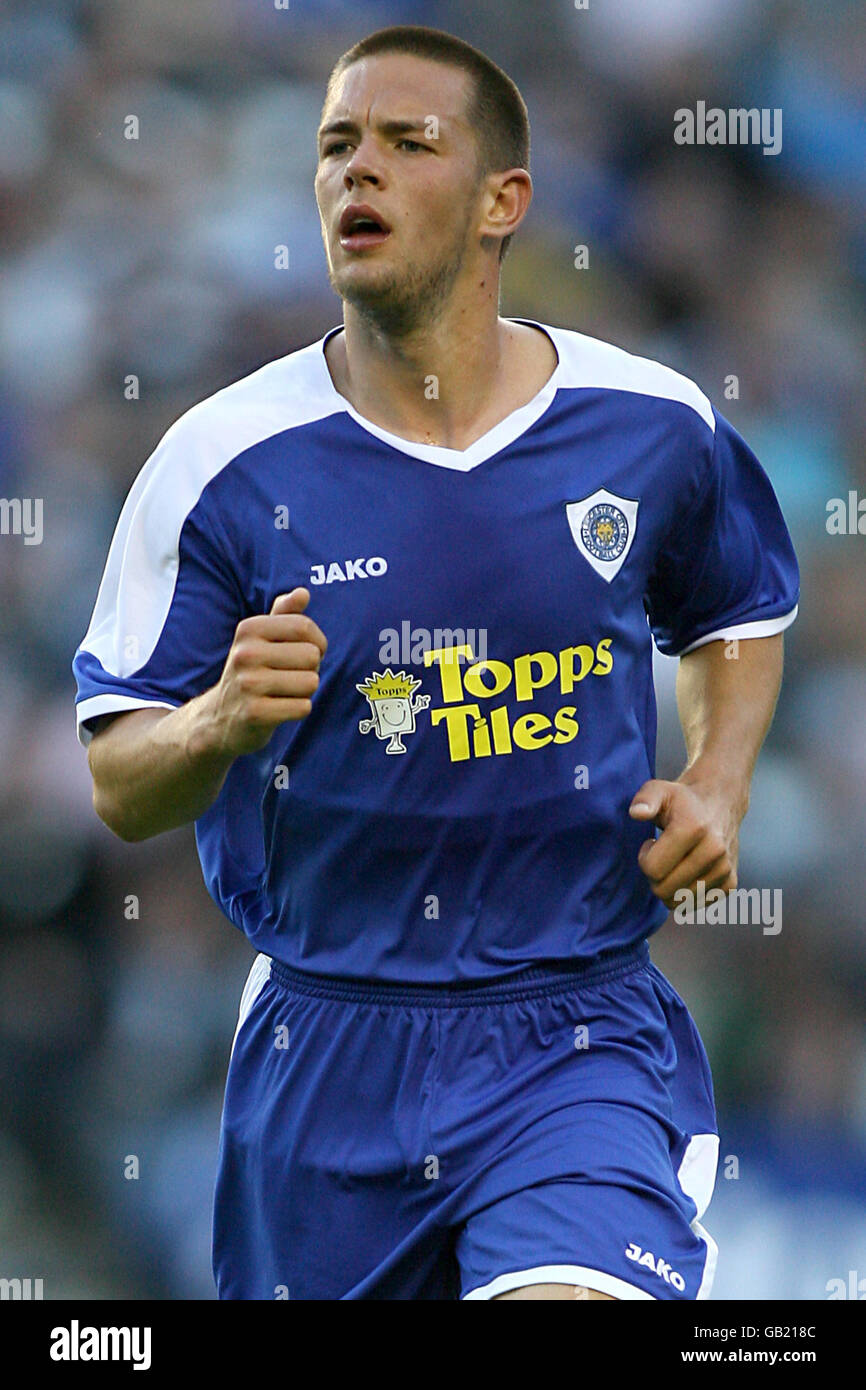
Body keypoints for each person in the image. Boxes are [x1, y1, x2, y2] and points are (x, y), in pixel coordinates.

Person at [74, 25, 799, 1301]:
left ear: (499, 202)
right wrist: (218, 723)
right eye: (337, 146)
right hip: (329, 1043)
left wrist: (721, 782)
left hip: (572, 1031)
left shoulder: (648, 426)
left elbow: (736, 608)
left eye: (409, 144)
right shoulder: (217, 465)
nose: (362, 171)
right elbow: (123, 783)